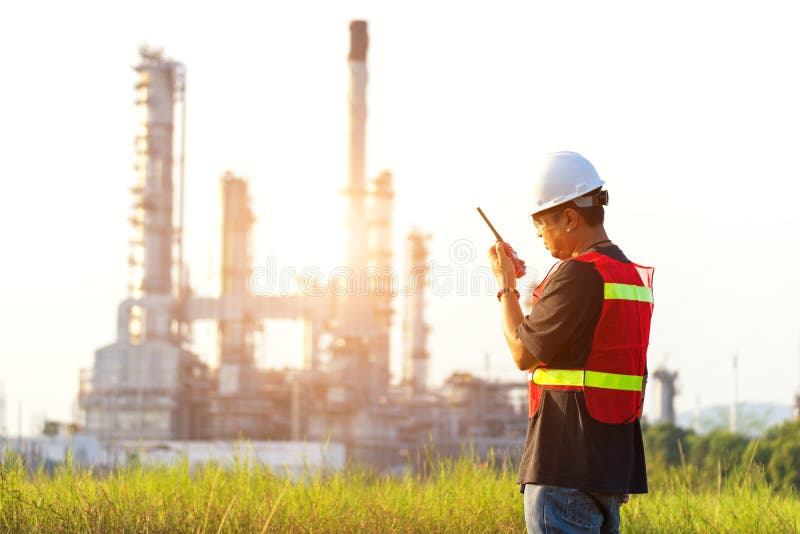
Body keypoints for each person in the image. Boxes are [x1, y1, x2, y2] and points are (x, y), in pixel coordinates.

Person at [488, 151, 653, 534]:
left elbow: (522, 351)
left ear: (569, 217)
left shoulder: (579, 275)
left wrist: (506, 286)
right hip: (608, 471)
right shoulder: (630, 280)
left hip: (564, 469)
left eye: (542, 225)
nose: (540, 236)